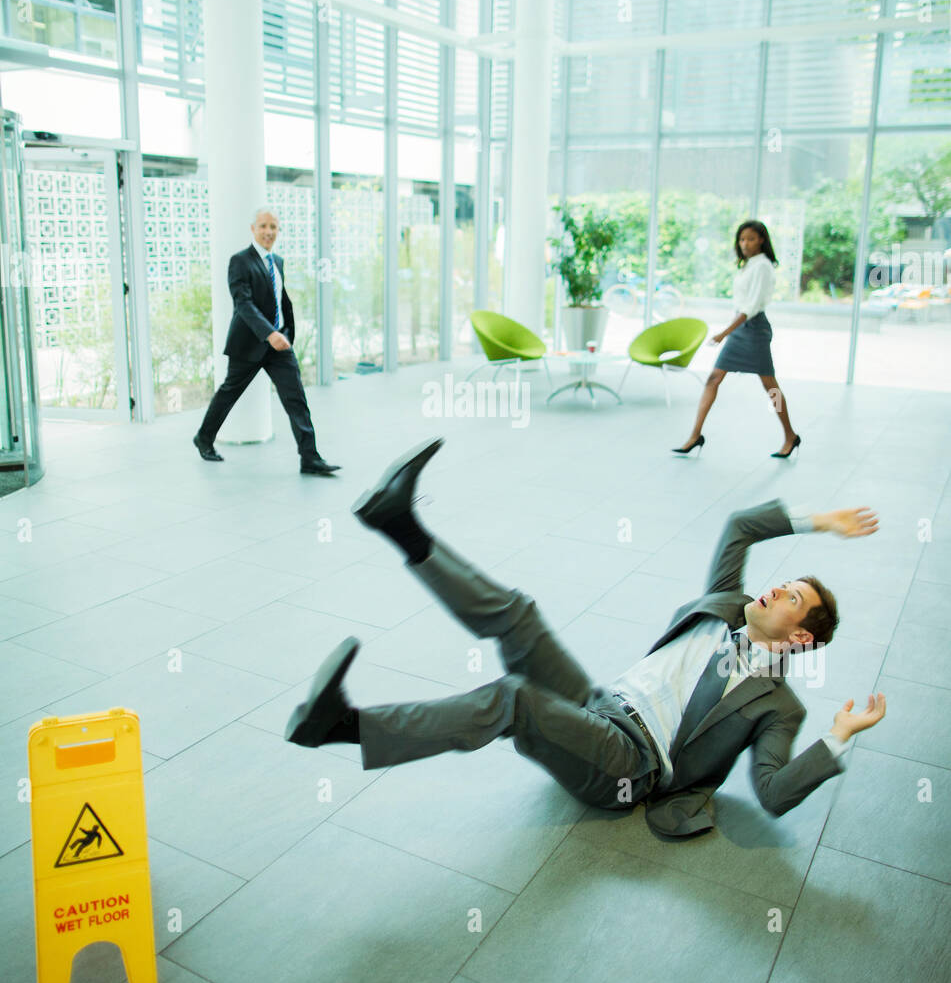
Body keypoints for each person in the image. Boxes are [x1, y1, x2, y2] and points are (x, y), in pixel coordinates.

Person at [284, 439, 886, 839]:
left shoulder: (780, 707)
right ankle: (402, 524)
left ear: (801, 636)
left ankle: (343, 727)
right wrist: (822, 521)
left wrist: (837, 737)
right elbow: (740, 527)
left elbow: (774, 793)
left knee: (514, 699)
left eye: (792, 599)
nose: (776, 591)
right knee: (520, 615)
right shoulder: (728, 604)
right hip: (597, 703)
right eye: (783, 585)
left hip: (630, 764)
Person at [193, 208, 339, 475]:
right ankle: (204, 437)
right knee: (229, 393)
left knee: (296, 399)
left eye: (273, 227)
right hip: (250, 343)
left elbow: (279, 298)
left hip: (279, 344)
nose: (269, 232)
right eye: (263, 226)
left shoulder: (277, 261)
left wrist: (284, 332)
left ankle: (310, 458)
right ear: (253, 229)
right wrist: (268, 333)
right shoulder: (240, 261)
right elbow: (243, 303)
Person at [675, 220, 801, 459]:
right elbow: (742, 305)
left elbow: (751, 307)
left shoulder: (762, 266)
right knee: (713, 379)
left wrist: (724, 333)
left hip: (753, 330)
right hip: (741, 328)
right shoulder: (748, 265)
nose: (745, 244)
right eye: (742, 239)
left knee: (770, 386)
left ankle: (790, 435)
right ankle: (695, 436)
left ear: (761, 240)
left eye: (750, 239)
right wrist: (731, 330)